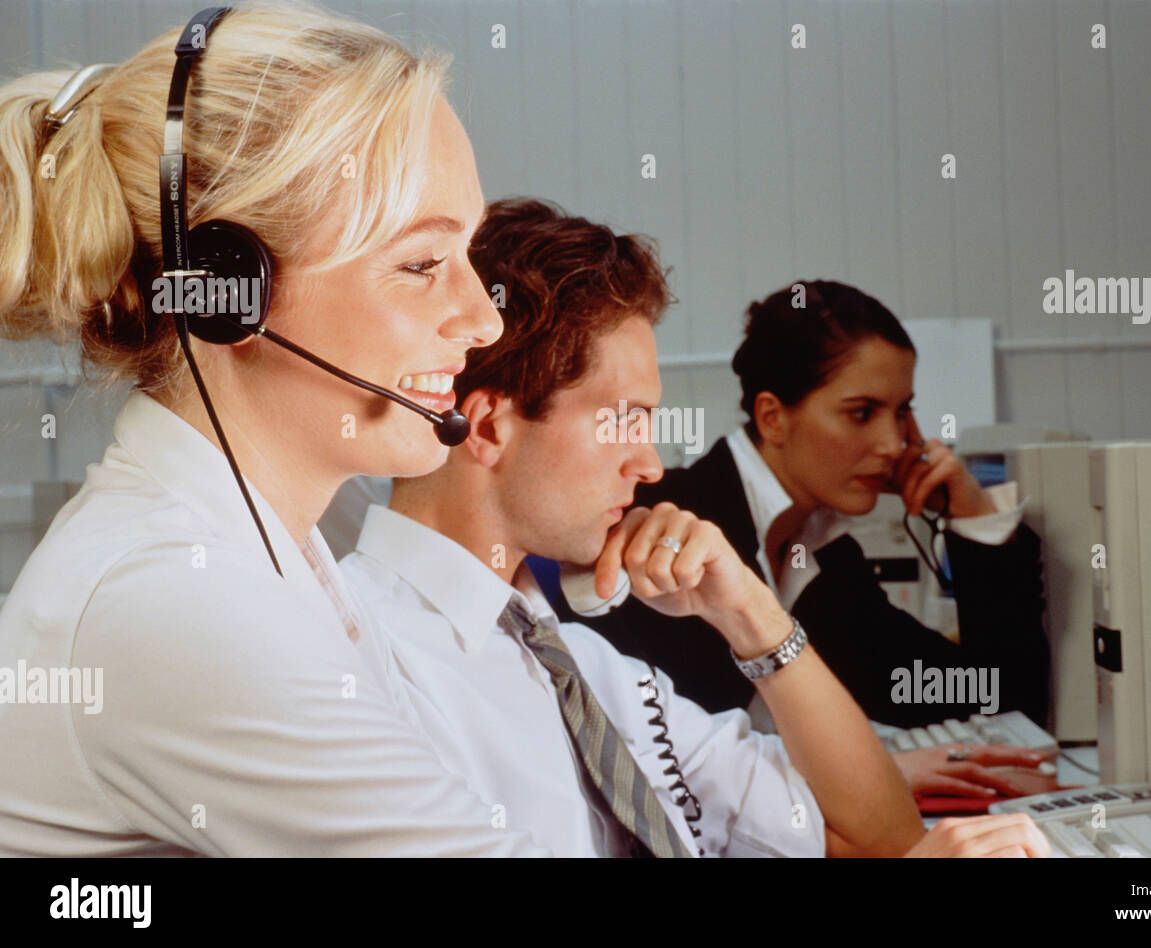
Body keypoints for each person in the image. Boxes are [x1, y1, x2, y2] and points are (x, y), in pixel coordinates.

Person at [0, 2, 566, 856]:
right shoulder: (169, 601)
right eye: (419, 264)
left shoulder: (271, 554)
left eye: (469, 258)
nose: (481, 323)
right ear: (228, 290)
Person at [337, 197, 1052, 856]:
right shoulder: (351, 655)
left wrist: (751, 614)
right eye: (625, 421)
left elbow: (876, 836)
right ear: (489, 426)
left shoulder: (581, 667)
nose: (649, 465)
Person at [577, 280, 1052, 731]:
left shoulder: (822, 554)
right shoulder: (656, 521)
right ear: (772, 418)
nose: (893, 443)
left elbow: (991, 695)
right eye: (861, 413)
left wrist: (974, 519)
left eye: (902, 411)